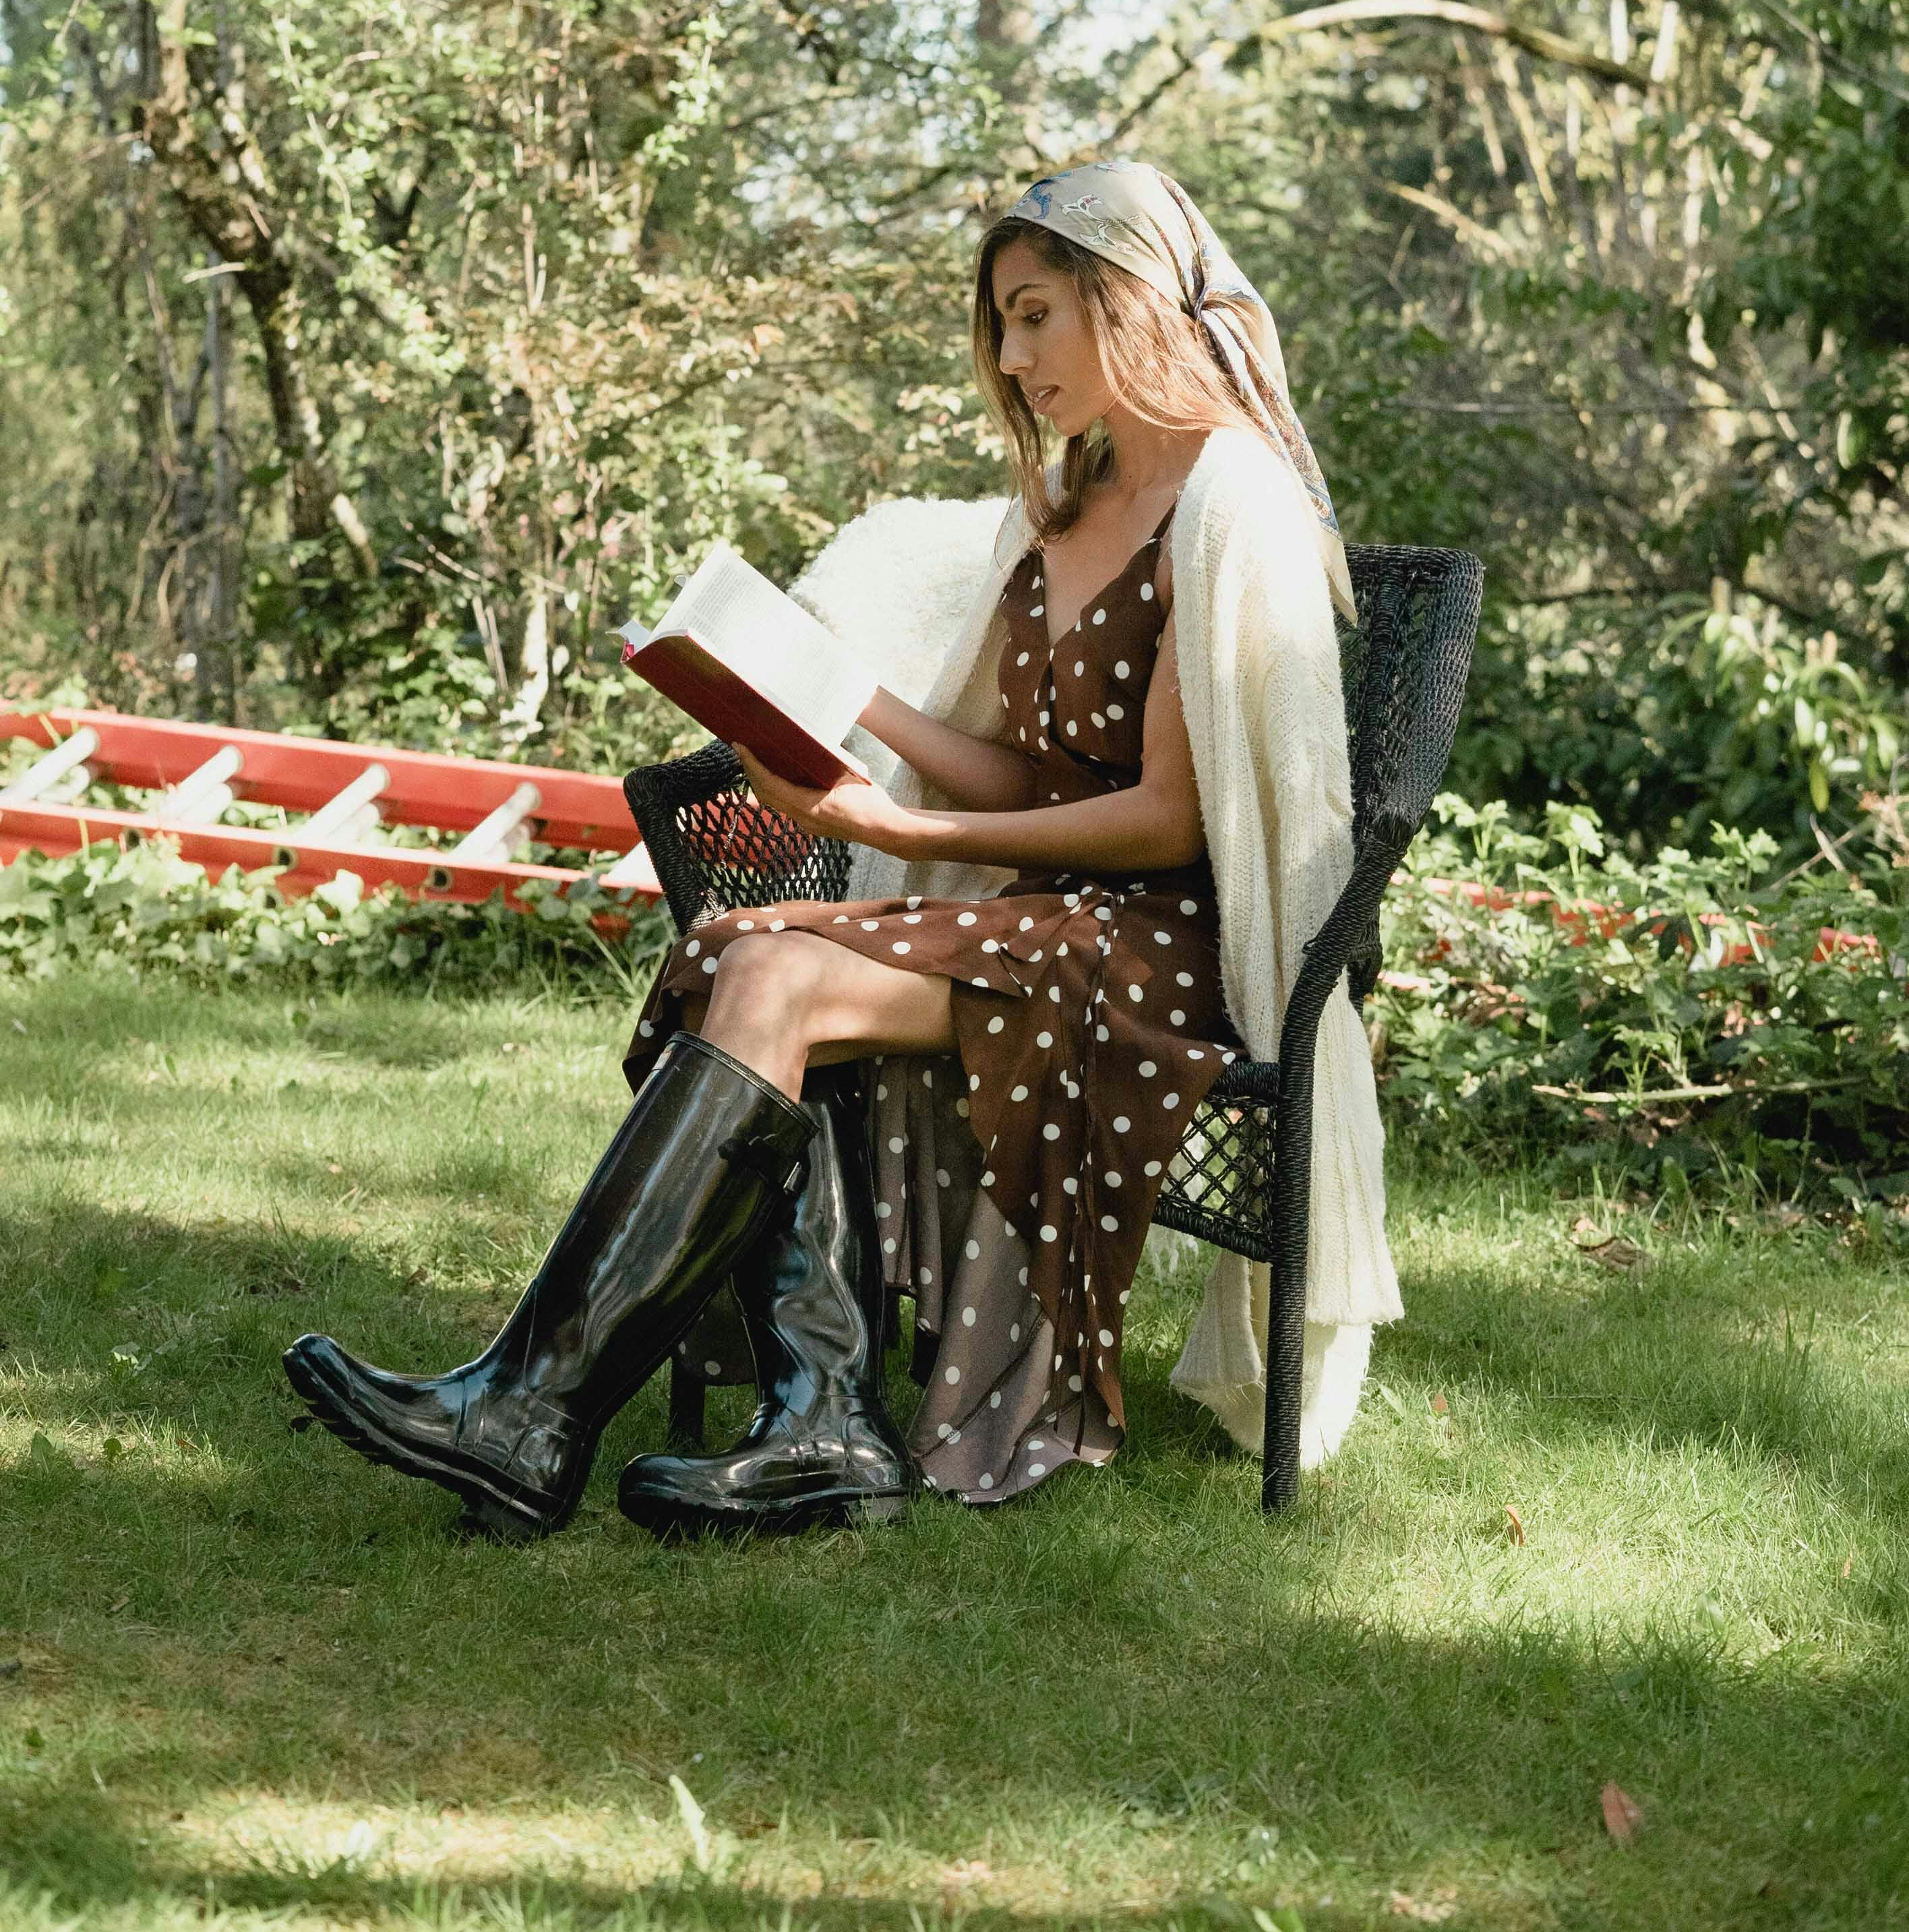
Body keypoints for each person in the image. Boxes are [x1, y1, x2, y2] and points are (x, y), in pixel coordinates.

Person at [284, 162, 1399, 1541]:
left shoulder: (1228, 503)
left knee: (783, 975)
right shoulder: (1073, 498)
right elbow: (1034, 766)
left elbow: (1170, 815)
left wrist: (897, 827)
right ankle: (780, 1416)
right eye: (1001, 322)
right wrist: (850, 707)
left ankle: (559, 1409)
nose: (1012, 355)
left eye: (1037, 314)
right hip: (1050, 917)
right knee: (739, 949)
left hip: (1155, 950)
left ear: (1125, 296)